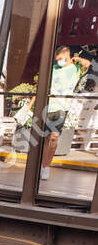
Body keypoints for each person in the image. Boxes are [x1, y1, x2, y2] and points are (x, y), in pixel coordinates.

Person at [40, 45, 88, 178]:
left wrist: (77, 59)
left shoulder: (75, 69)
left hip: (62, 107)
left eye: (60, 58)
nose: (58, 61)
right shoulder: (54, 69)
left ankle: (46, 166)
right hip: (48, 107)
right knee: (46, 138)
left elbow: (87, 64)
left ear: (67, 57)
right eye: (57, 59)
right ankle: (42, 165)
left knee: (54, 137)